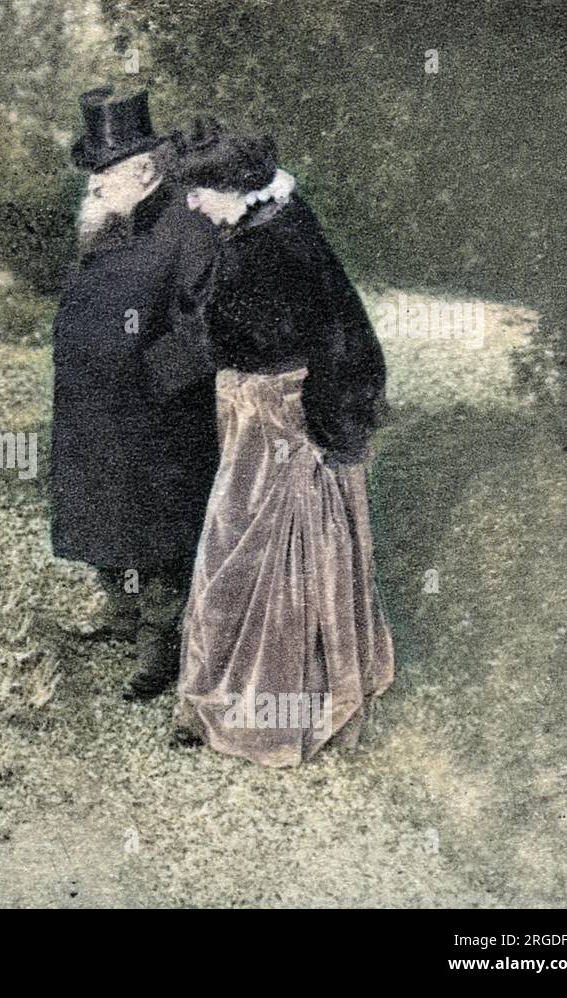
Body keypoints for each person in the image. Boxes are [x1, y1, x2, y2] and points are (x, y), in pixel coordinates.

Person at [167, 124, 395, 766]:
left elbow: (330, 337)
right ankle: (273, 694)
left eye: (200, 190)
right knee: (256, 553)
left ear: (236, 187)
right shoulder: (276, 219)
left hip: (278, 423)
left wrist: (310, 427)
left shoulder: (269, 245)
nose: (191, 203)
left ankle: (267, 709)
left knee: (255, 556)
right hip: (260, 411)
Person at [50, 88, 223, 699]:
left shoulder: (189, 224)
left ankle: (161, 647)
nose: (93, 187)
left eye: (104, 175)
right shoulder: (106, 219)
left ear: (145, 171)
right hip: (90, 407)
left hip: (158, 415)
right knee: (99, 512)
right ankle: (119, 615)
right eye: (92, 174)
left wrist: (153, 378)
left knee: (155, 528)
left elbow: (208, 322)